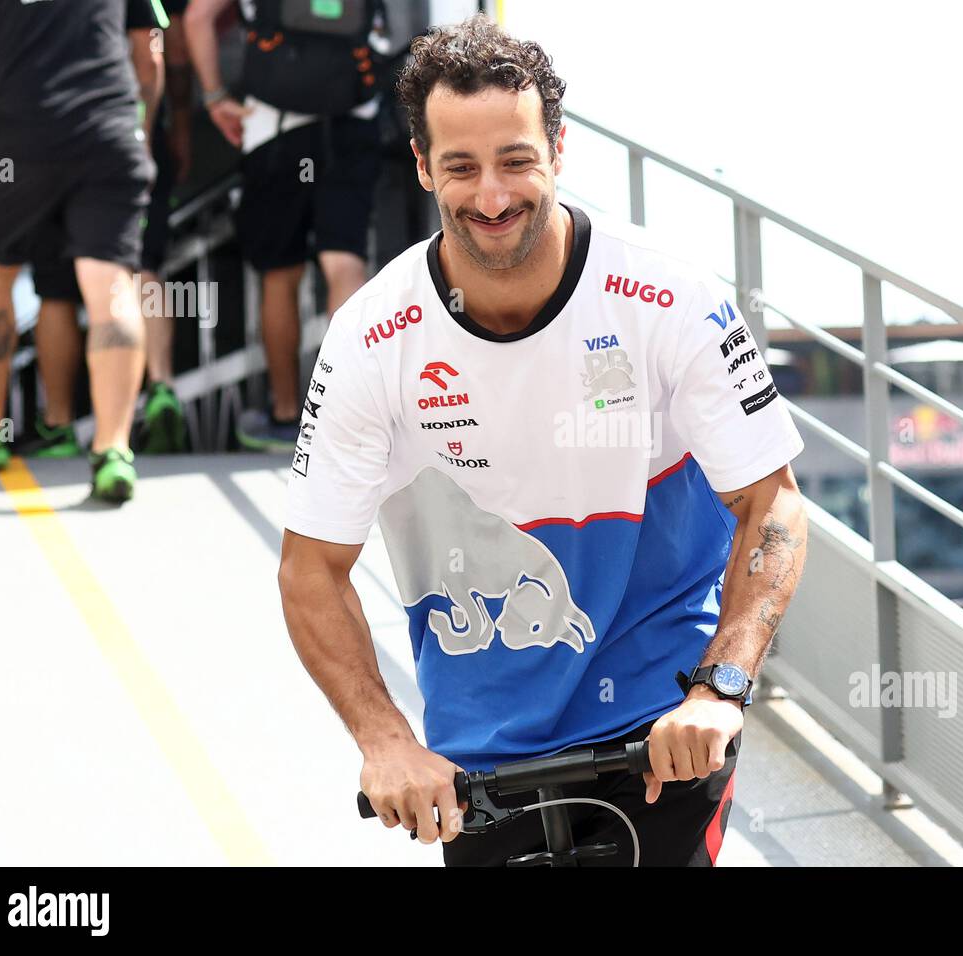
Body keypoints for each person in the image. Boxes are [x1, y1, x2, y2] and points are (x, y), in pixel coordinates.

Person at [278, 15, 809, 867]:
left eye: (517, 161)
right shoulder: (372, 337)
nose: (492, 196)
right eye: (461, 167)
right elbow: (311, 567)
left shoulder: (669, 297)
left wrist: (723, 688)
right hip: (482, 758)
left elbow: (772, 504)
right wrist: (385, 741)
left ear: (559, 149)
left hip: (661, 723)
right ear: (422, 166)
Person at [0, 0, 167, 502]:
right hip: (108, 132)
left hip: (18, 138)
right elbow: (152, 54)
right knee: (110, 283)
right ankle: (113, 449)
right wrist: (140, 128)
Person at [185, 0, 389, 451]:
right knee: (344, 261)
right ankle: (347, 418)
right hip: (352, 120)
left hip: (273, 128)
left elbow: (198, 16)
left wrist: (216, 96)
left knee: (279, 274)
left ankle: (285, 417)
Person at [0, 2, 194, 459]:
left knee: (57, 289)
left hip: (38, 137)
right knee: (136, 268)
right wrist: (151, 133)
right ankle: (158, 387)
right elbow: (156, 54)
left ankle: (59, 423)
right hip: (120, 134)